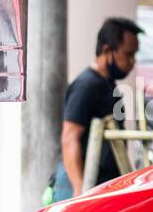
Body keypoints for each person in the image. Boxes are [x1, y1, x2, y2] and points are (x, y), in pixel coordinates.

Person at [55, 17, 141, 199]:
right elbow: (70, 138)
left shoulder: (108, 84)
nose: (132, 62)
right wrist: (80, 190)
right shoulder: (87, 85)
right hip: (83, 188)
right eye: (128, 54)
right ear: (107, 50)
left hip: (100, 186)